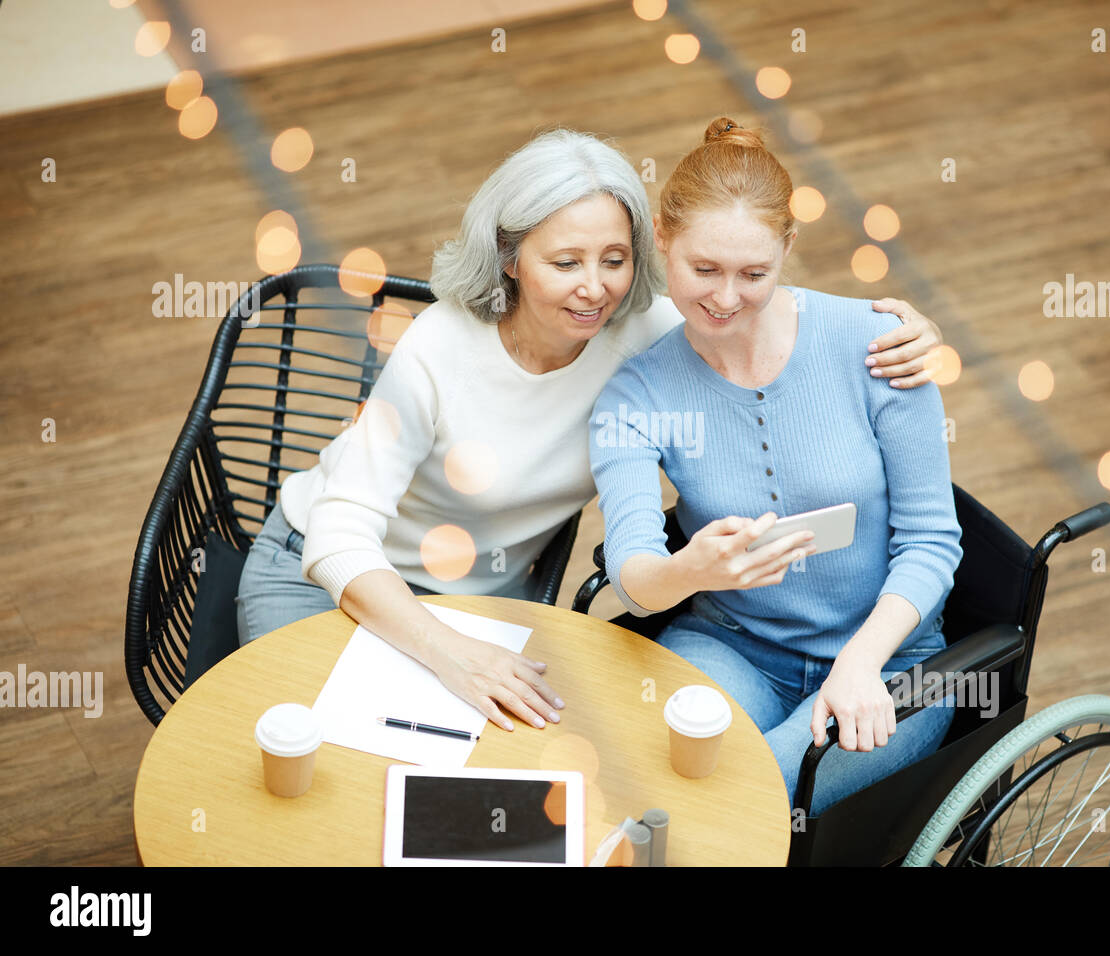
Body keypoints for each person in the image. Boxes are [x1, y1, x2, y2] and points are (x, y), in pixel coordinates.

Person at [235, 126, 945, 738]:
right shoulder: (439, 347)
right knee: (329, 747)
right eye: (565, 262)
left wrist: (913, 334)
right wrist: (449, 653)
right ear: (510, 256)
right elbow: (338, 533)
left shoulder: (651, 334)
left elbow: (763, 323)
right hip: (329, 576)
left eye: (614, 258)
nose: (595, 288)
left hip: (476, 603)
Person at [589, 117, 962, 814]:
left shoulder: (879, 348)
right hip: (732, 646)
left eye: (754, 274)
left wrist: (859, 663)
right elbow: (635, 577)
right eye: (703, 270)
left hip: (891, 662)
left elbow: (932, 542)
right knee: (647, 778)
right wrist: (688, 572)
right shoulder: (636, 395)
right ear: (662, 240)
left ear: (788, 248)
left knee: (751, 800)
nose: (726, 298)